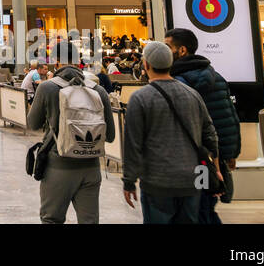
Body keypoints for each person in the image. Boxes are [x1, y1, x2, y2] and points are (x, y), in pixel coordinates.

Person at [122, 41, 220, 224]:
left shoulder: (140, 98)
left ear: (146, 65)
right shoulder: (192, 94)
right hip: (192, 179)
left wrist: (129, 181)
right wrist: (216, 168)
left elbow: (132, 144)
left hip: (157, 182)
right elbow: (210, 135)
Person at [163, 27, 241, 223]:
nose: (164, 52)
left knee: (194, 212)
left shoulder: (176, 84)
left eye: (167, 47)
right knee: (204, 208)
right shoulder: (217, 77)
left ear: (181, 51)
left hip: (189, 161)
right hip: (209, 161)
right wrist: (229, 153)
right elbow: (229, 118)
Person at [26, 64, 116, 223]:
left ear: (56, 63)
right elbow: (110, 136)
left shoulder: (47, 87)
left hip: (58, 166)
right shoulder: (98, 90)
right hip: (91, 168)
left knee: (52, 219)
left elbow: (32, 123)